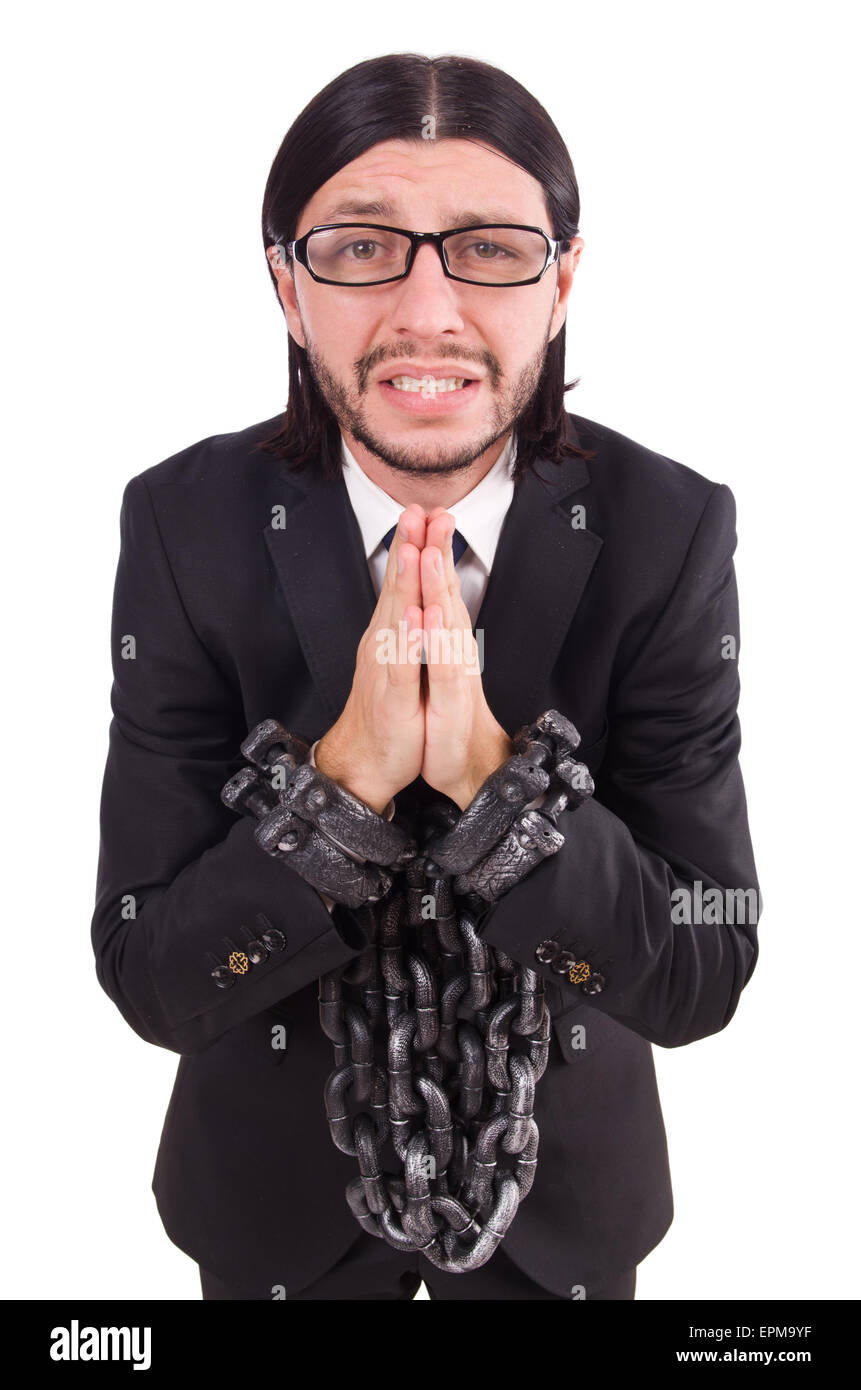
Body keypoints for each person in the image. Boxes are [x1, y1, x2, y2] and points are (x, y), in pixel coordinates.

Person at [90, 52, 761, 1301]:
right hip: (271, 1221)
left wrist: (499, 790)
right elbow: (148, 970)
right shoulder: (185, 523)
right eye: (361, 249)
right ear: (288, 289)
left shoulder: (670, 529)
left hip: (563, 1224)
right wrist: (337, 791)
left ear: (562, 282)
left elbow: (707, 957)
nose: (428, 312)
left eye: (490, 249)